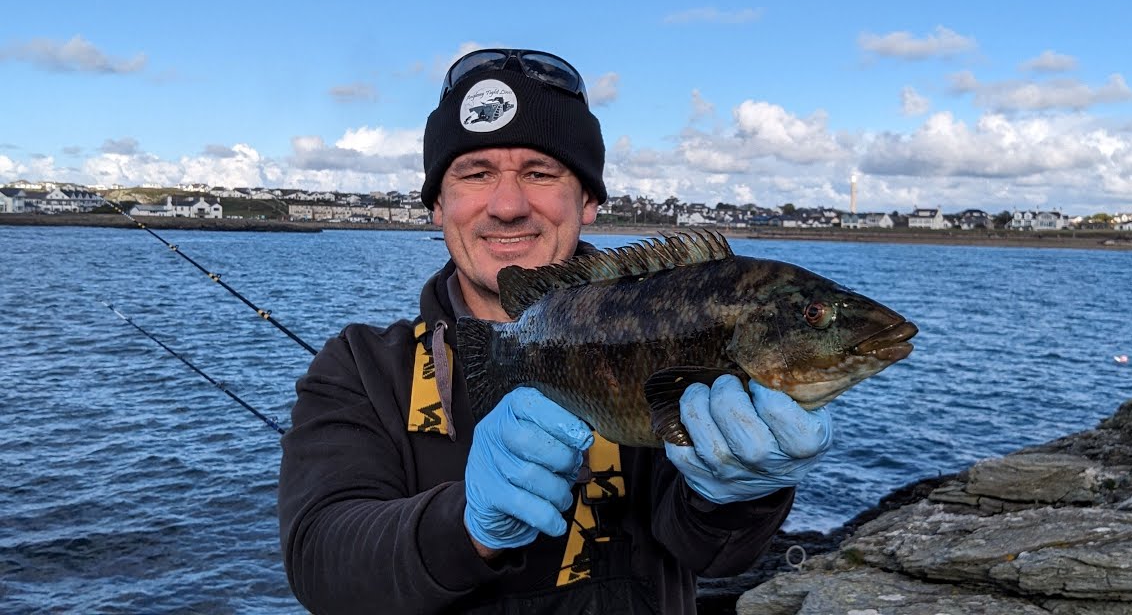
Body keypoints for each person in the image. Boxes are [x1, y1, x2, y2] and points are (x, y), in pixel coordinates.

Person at [278, 48, 834, 614]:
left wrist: (741, 493)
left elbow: (709, 552)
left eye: (540, 173)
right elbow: (321, 564)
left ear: (588, 200)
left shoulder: (662, 329)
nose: (508, 205)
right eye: (476, 173)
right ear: (437, 204)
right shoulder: (360, 368)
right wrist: (465, 523)